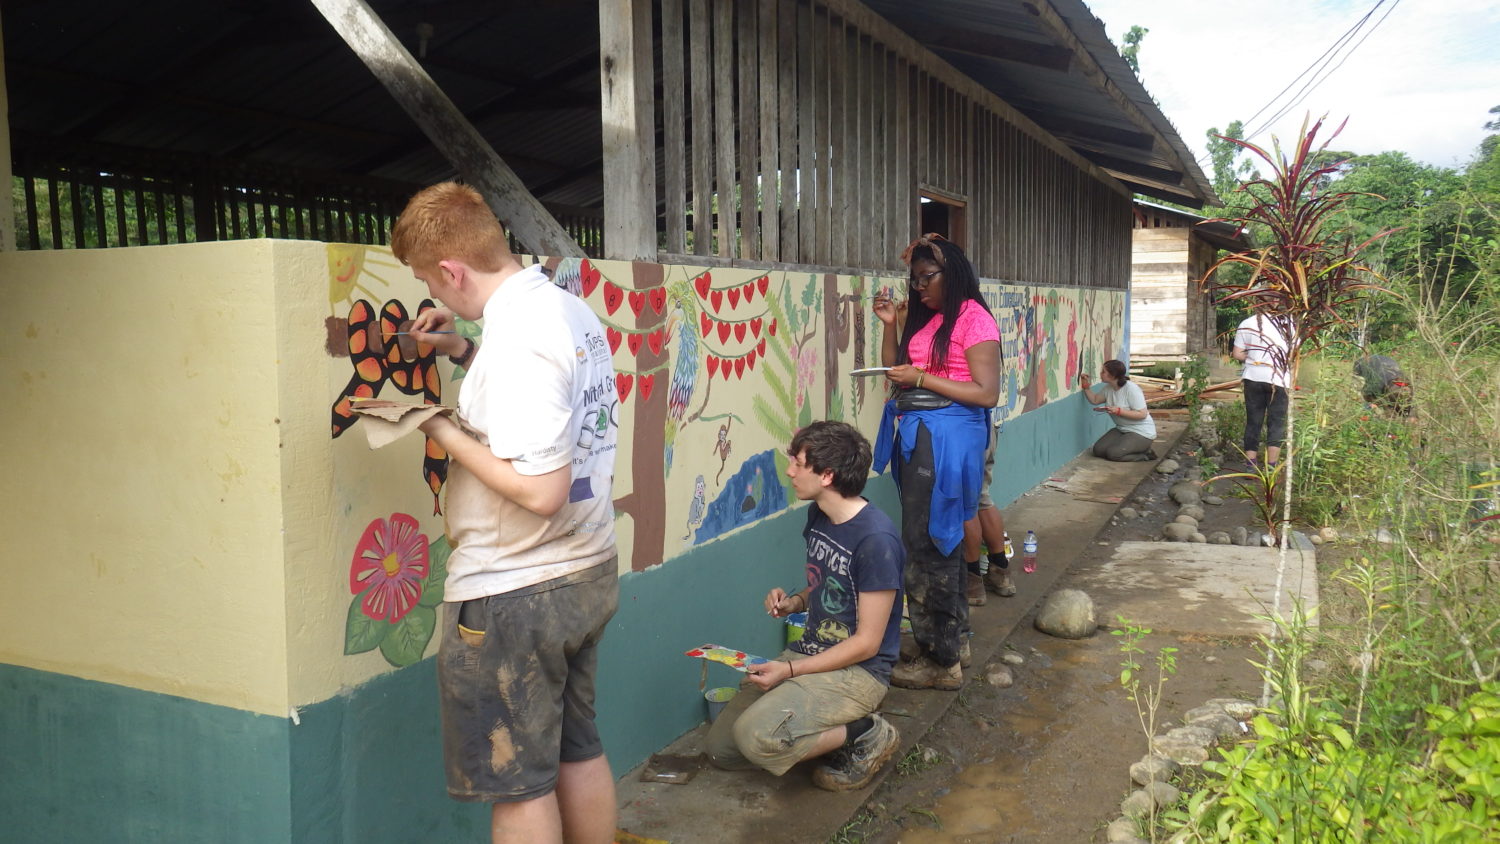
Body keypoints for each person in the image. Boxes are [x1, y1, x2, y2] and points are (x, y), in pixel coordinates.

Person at [394, 183, 620, 844]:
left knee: (516, 784)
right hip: (585, 570)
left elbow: (541, 489)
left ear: (453, 271)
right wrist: (461, 352)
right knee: (576, 749)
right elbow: (539, 402)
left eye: (429, 283)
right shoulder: (564, 309)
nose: (435, 298)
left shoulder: (521, 337)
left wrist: (440, 428)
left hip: (516, 591)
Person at [705, 421, 905, 791]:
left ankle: (866, 732)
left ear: (827, 475)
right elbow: (831, 584)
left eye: (798, 463)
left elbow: (868, 643)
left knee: (756, 738)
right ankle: (822, 731)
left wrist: (792, 670)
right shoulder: (820, 514)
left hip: (859, 673)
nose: (790, 471)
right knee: (723, 751)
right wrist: (795, 600)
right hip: (811, 653)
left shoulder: (877, 541)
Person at [871, 234, 1000, 691]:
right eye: (915, 280)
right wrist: (891, 325)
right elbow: (895, 367)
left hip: (948, 439)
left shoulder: (974, 321)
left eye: (927, 278)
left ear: (954, 274)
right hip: (921, 433)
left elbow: (987, 393)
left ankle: (940, 661)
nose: (919, 287)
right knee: (926, 537)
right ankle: (952, 639)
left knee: (932, 542)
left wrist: (923, 377)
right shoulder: (932, 321)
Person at [963, 420, 1015, 605]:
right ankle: (1001, 572)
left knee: (964, 503)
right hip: (984, 425)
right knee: (982, 498)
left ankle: (973, 582)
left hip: (963, 428)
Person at [1233, 309, 1293, 471]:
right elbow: (1295, 352)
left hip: (1253, 377)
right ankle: (1271, 467)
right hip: (1279, 379)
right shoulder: (1290, 323)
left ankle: (1250, 465)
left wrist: (1254, 358)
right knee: (1276, 423)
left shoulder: (1246, 323)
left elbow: (1237, 354)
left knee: (1253, 421)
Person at [1078, 360, 1157, 461]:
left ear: (1112, 375)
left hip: (1142, 432)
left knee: (1113, 454)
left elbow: (1142, 414)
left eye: (1103, 372)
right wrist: (1086, 386)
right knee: (1098, 450)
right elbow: (1095, 400)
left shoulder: (1131, 389)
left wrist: (1119, 411)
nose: (1100, 374)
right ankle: (1131, 447)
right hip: (1122, 429)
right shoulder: (1109, 388)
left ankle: (1145, 454)